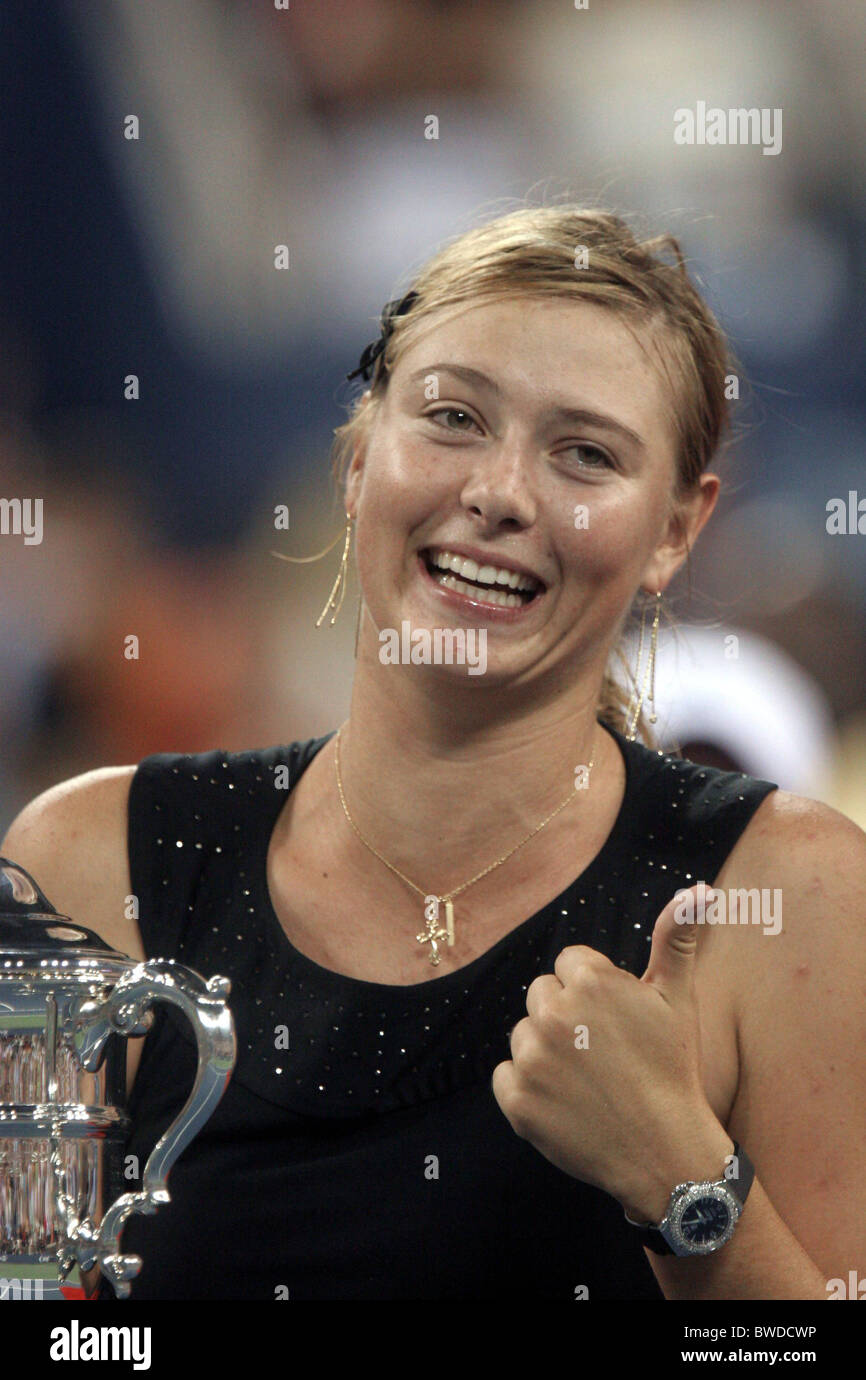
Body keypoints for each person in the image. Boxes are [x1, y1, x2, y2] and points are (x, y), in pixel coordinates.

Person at [3, 206, 864, 1300]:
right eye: (453, 416)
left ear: (673, 533)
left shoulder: (791, 891)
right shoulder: (86, 862)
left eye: (584, 453)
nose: (498, 493)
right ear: (358, 460)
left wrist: (682, 1186)